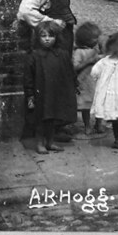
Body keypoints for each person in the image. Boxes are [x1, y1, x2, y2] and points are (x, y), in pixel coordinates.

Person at [24, 22, 77, 155]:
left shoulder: (62, 54)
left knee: (53, 118)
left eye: (51, 36)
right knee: (41, 119)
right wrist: (30, 95)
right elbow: (28, 77)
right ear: (38, 38)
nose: (47, 39)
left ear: (57, 37)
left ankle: (50, 141)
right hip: (41, 92)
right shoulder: (34, 56)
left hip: (56, 92)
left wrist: (74, 84)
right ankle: (40, 143)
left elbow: (69, 71)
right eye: (43, 36)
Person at [72, 22, 105, 135]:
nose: (97, 39)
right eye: (95, 37)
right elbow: (75, 67)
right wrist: (89, 61)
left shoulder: (97, 50)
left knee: (99, 103)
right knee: (86, 105)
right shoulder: (79, 52)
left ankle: (98, 123)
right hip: (85, 82)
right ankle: (87, 125)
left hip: (96, 81)